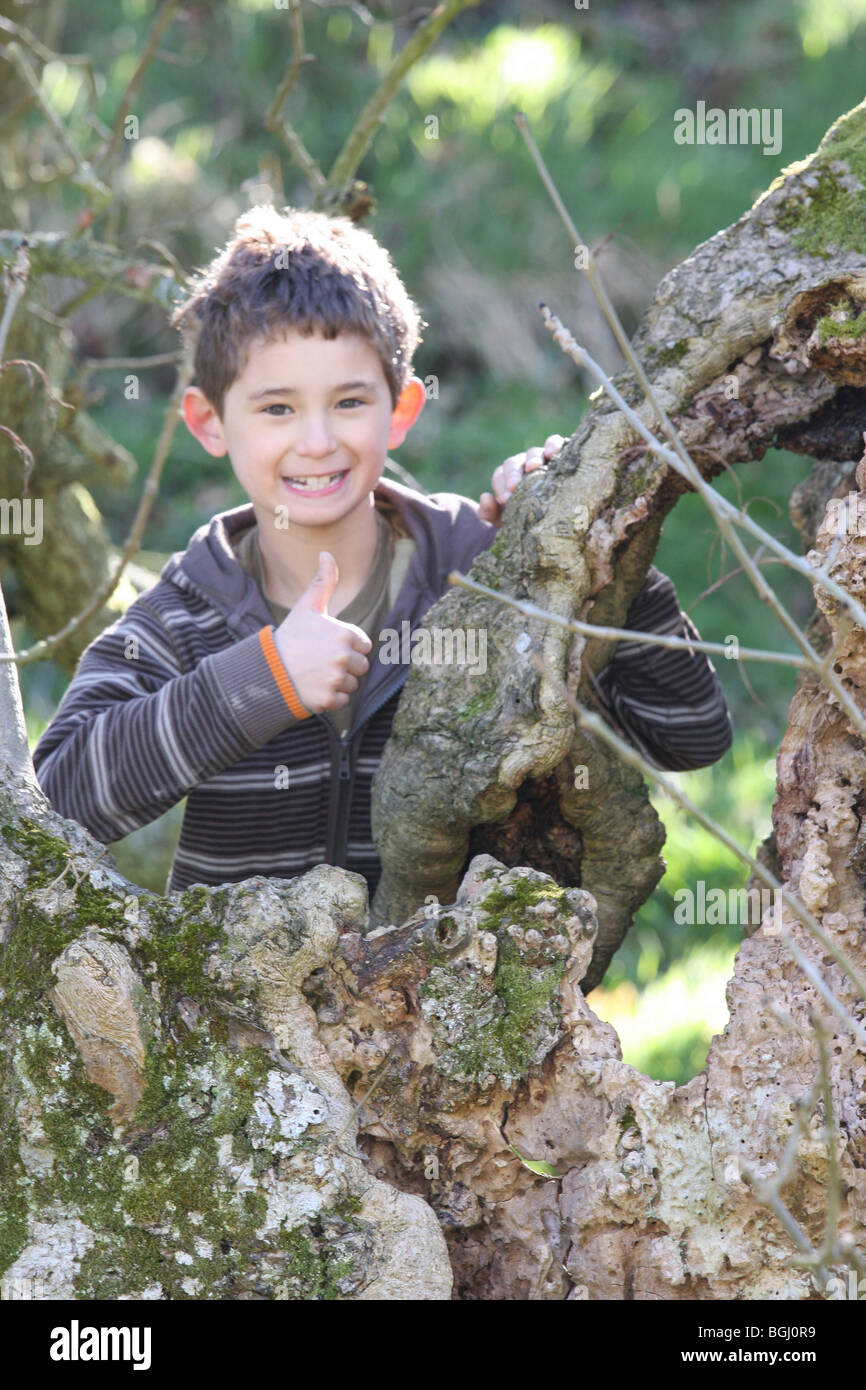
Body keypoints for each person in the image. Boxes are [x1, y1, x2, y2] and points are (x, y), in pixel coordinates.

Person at [32, 205, 732, 902]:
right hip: (240, 1002)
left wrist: (590, 541)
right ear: (209, 422)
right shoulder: (183, 617)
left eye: (348, 402)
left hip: (463, 1000)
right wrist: (265, 678)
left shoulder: (479, 572)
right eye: (277, 408)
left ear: (400, 409)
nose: (315, 441)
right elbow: (55, 806)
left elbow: (691, 736)